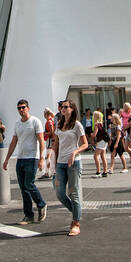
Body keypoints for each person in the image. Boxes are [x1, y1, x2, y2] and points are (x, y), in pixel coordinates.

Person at [3, 100, 46, 225]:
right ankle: (28, 215)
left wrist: (42, 158)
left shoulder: (35, 122)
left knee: (29, 184)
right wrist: (6, 159)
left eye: (23, 107)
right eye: (19, 108)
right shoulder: (17, 124)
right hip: (20, 158)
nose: (21, 110)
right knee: (23, 189)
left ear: (28, 108)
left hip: (32, 157)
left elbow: (41, 141)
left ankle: (41, 204)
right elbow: (13, 142)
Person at [53, 101, 87, 236]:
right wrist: (53, 162)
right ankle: (76, 212)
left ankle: (75, 222)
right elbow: (56, 144)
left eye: (66, 107)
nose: (63, 109)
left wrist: (75, 152)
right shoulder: (59, 124)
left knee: (74, 192)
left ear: (72, 109)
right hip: (60, 163)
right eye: (62, 107)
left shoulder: (77, 125)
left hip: (73, 163)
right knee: (59, 193)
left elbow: (85, 144)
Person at [106, 109, 128, 174]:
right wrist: (110, 141)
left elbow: (118, 136)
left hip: (118, 141)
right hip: (113, 141)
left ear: (115, 119)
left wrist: (116, 144)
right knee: (112, 155)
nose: (110, 119)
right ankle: (111, 168)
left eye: (112, 118)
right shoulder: (112, 126)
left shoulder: (118, 126)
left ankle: (125, 167)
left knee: (121, 155)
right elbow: (112, 135)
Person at [90, 110, 108, 177]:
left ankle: (98, 171)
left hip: (100, 141)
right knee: (103, 156)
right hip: (104, 141)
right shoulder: (101, 124)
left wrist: (91, 134)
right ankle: (105, 171)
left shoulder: (96, 125)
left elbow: (94, 135)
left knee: (95, 156)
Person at [40, 110, 56, 178]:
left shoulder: (49, 121)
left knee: (48, 157)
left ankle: (47, 172)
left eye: (44, 113)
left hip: (50, 140)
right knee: (51, 156)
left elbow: (52, 132)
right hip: (50, 140)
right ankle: (51, 172)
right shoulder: (51, 121)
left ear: (46, 114)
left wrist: (44, 133)